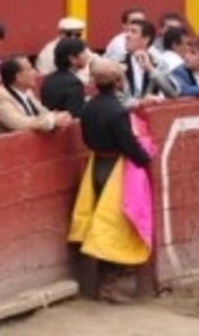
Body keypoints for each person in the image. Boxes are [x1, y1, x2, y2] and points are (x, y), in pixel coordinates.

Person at [68, 57, 154, 304]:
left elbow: (86, 140)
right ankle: (108, 285)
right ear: (117, 82)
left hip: (97, 165)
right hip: (115, 168)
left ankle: (105, 281)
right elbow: (127, 144)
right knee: (113, 224)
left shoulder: (87, 107)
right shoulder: (118, 111)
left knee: (104, 221)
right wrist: (144, 157)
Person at [0, 55, 71, 134]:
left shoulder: (27, 92)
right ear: (18, 77)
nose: (35, 72)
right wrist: (51, 120)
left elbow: (43, 112)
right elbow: (20, 123)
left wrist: (57, 116)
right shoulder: (0, 98)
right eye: (29, 69)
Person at [40, 36, 89, 118]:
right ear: (73, 59)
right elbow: (75, 116)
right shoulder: (74, 83)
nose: (87, 56)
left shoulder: (48, 79)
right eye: (83, 52)